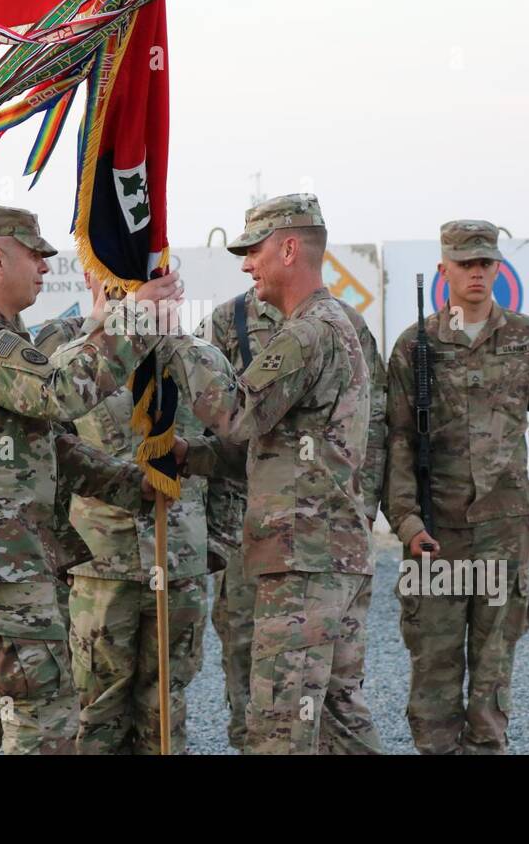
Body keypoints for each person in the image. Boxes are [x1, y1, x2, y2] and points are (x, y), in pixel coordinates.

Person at [0, 204, 183, 755]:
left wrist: (133, 485)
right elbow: (61, 392)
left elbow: (48, 443)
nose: (43, 268)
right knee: (46, 719)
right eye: (34, 256)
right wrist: (136, 321)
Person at [164, 193, 382, 755]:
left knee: (279, 730)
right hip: (327, 554)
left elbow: (235, 413)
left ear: (290, 248)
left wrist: (170, 337)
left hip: (303, 559)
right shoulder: (329, 325)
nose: (245, 265)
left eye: (253, 251)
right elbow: (269, 447)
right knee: (337, 721)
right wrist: (194, 456)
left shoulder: (307, 333)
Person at [384, 220, 529, 755]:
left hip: (504, 528)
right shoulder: (414, 347)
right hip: (436, 532)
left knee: (493, 668)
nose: (476, 272)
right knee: (435, 667)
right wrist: (406, 520)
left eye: (484, 262)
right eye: (464, 263)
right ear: (444, 269)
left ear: (497, 267)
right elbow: (396, 443)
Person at [34, 272, 211, 755]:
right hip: (101, 563)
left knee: (165, 710)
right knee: (98, 708)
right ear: (93, 270)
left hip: (177, 560)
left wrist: (220, 540)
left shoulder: (191, 351)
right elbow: (48, 445)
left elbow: (224, 447)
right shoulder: (65, 347)